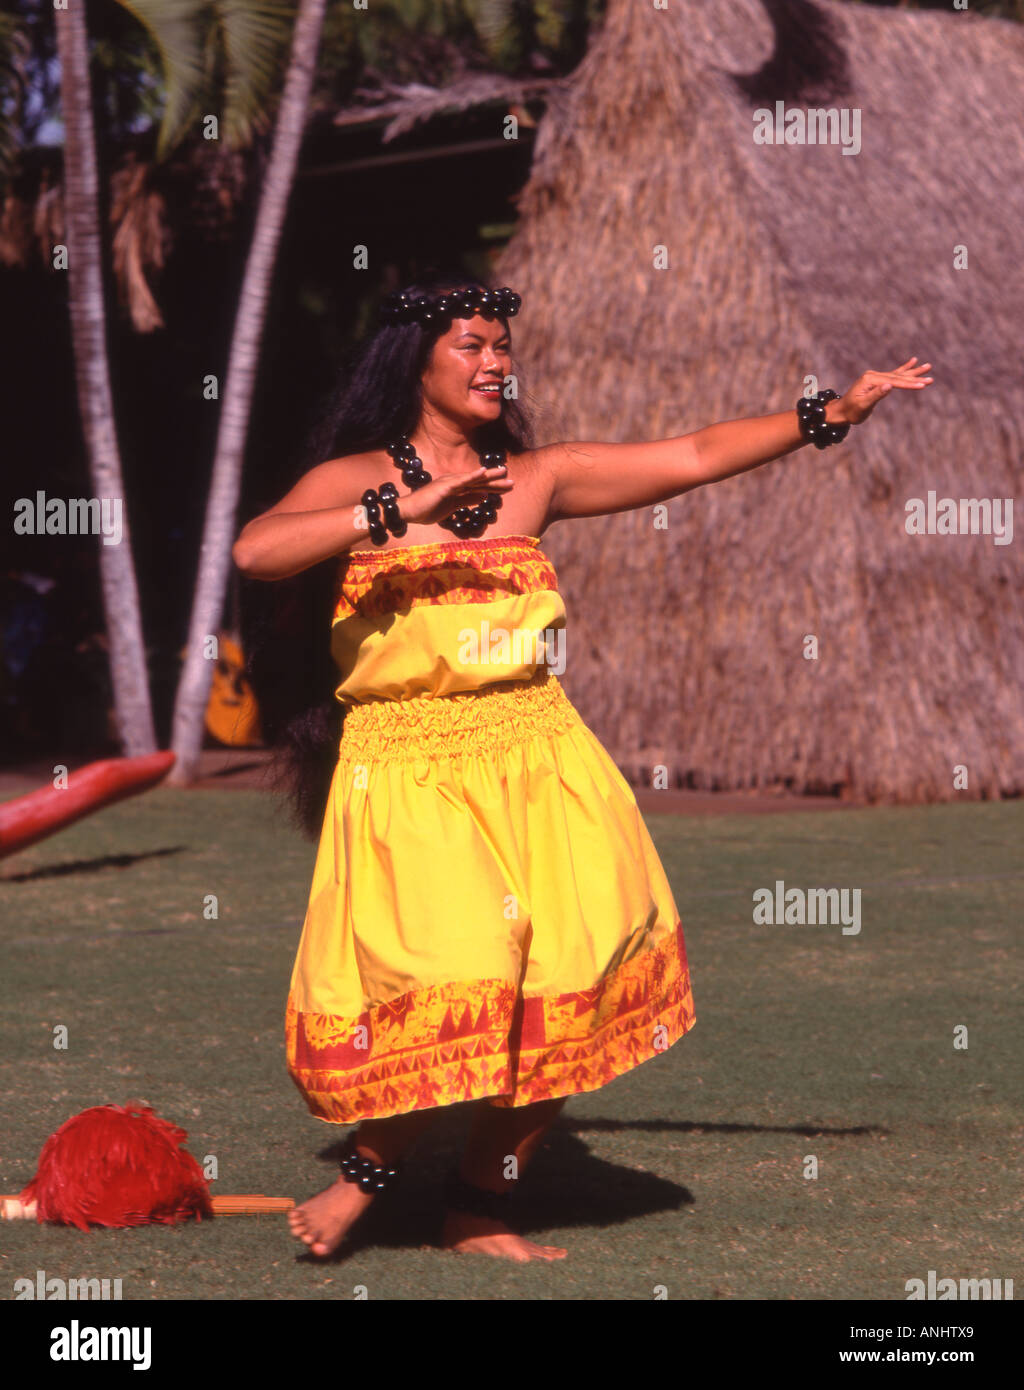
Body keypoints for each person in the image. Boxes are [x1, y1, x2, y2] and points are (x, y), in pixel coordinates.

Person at [232, 271, 933, 1262]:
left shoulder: (536, 477)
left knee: (571, 978)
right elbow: (257, 549)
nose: (493, 361)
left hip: (540, 752)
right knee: (464, 968)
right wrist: (399, 508)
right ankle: (366, 1178)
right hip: (411, 766)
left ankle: (477, 1206)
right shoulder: (356, 481)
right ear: (417, 361)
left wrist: (829, 413)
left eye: (500, 345)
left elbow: (689, 455)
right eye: (470, 344)